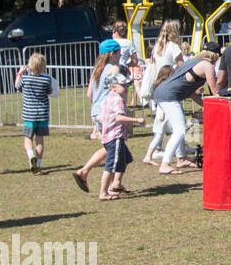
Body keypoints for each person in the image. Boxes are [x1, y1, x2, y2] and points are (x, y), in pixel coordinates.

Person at [151, 46, 221, 175]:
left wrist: (208, 106)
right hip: (169, 96)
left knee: (179, 126)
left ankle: (181, 158)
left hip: (162, 92)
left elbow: (191, 94)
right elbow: (214, 90)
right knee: (180, 129)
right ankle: (165, 164)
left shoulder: (190, 64)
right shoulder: (207, 66)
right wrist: (220, 101)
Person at [74, 40, 121, 192]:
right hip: (106, 112)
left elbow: (89, 94)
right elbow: (115, 89)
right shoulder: (113, 68)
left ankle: (115, 183)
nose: (120, 56)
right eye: (119, 53)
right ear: (112, 54)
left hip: (96, 111)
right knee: (113, 147)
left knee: (112, 147)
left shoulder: (96, 70)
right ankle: (85, 171)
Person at [98, 71, 144, 200]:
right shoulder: (118, 100)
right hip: (115, 137)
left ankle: (116, 184)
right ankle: (104, 192)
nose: (126, 88)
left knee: (126, 159)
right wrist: (136, 120)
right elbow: (118, 118)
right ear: (113, 87)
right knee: (110, 166)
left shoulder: (106, 100)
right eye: (122, 85)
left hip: (108, 137)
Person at [15, 53, 55, 173]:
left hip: (29, 114)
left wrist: (19, 73)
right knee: (40, 139)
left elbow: (17, 86)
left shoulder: (25, 78)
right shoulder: (46, 78)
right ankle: (37, 163)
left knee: (28, 138)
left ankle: (31, 154)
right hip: (42, 114)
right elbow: (49, 91)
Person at [141, 20, 184, 104]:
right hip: (170, 82)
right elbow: (182, 66)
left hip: (158, 82)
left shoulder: (157, 46)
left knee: (161, 109)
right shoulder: (173, 47)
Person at [142, 65, 176, 166]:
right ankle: (148, 156)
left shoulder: (159, 85)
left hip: (162, 113)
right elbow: (162, 102)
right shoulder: (164, 86)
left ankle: (149, 156)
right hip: (162, 114)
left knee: (160, 136)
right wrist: (163, 113)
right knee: (159, 136)